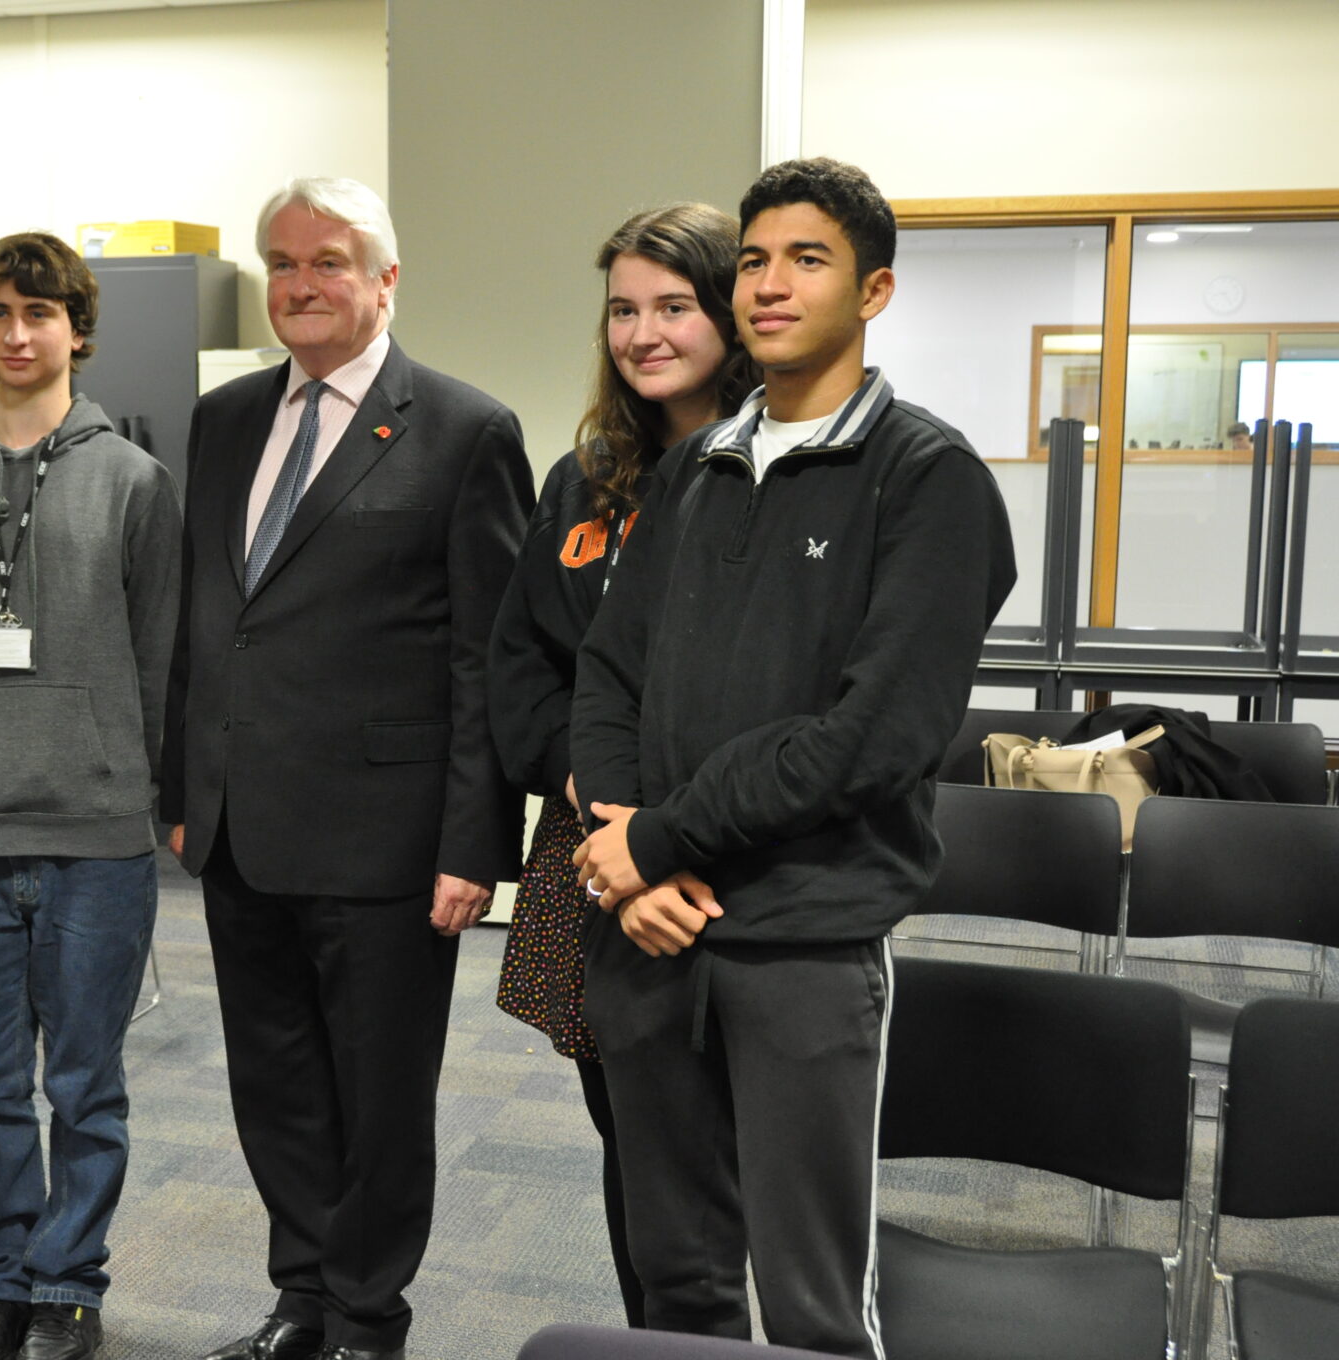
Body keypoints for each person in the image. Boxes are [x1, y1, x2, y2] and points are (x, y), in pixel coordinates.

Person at [570, 159, 1016, 1357]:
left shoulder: (928, 480)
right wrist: (626, 853)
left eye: (805, 260)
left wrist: (659, 838)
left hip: (803, 944)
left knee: (813, 1301)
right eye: (753, 260)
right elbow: (606, 675)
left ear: (869, 290)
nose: (768, 285)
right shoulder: (692, 468)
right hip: (648, 935)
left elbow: (871, 738)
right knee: (676, 1285)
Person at [163, 177, 534, 1360]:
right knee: (272, 1082)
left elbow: (488, 660)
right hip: (237, 829)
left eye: (329, 260)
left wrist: (474, 845)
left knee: (377, 1098)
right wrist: (181, 793)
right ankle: (302, 1298)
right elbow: (207, 619)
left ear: (385, 280)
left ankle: (369, 1316)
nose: (300, 283)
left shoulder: (465, 431)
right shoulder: (222, 420)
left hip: (386, 839)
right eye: (281, 261)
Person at [0, 232, 181, 1360]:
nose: (18, 333)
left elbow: (159, 661)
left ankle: (67, 1284)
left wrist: (143, 792)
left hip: (95, 832)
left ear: (76, 327)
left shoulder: (134, 481)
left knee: (84, 1085)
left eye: (40, 312)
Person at [486, 202, 756, 1329]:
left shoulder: (782, 471)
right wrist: (610, 822)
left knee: (728, 1153)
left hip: (735, 860)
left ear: (731, 316)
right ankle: (655, 1338)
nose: (643, 333)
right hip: (595, 854)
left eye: (672, 306)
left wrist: (667, 837)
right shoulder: (585, 474)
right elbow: (524, 668)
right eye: (621, 310)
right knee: (632, 1133)